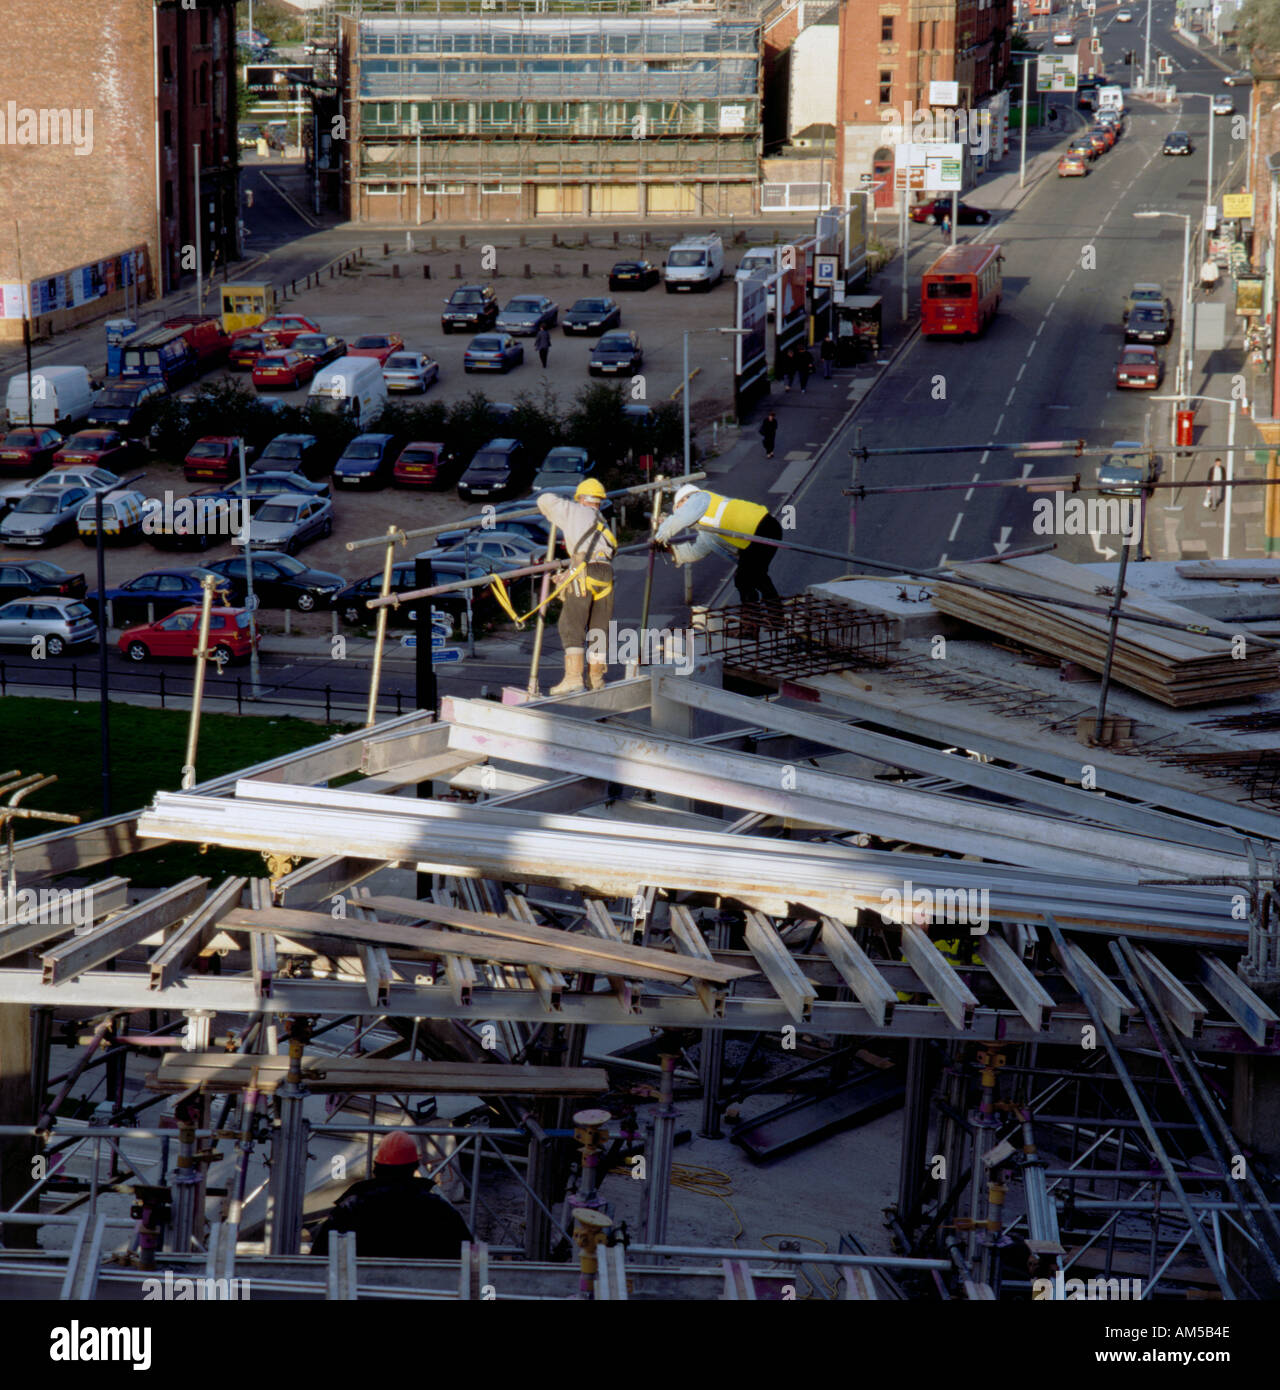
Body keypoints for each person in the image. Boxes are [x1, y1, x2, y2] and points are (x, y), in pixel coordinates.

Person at [310, 1130, 471, 1259]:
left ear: (376, 1167)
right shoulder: (439, 1210)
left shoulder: (350, 1209)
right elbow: (468, 1257)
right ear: (414, 1166)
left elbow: (319, 1258)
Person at [536, 476, 617, 693]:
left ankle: (573, 679)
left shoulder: (574, 510)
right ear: (599, 501)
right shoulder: (602, 520)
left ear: (581, 498)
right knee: (599, 629)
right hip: (606, 573)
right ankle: (596, 679)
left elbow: (544, 500)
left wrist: (565, 503)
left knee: (571, 625)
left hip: (584, 571)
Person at [653, 482, 782, 605]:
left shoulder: (700, 497)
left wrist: (660, 536)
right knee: (753, 575)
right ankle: (768, 613)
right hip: (754, 538)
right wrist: (668, 548)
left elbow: (682, 517)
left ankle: (756, 616)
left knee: (746, 577)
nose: (680, 511)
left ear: (685, 499)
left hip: (762, 527)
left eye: (679, 508)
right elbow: (694, 552)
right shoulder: (708, 531)